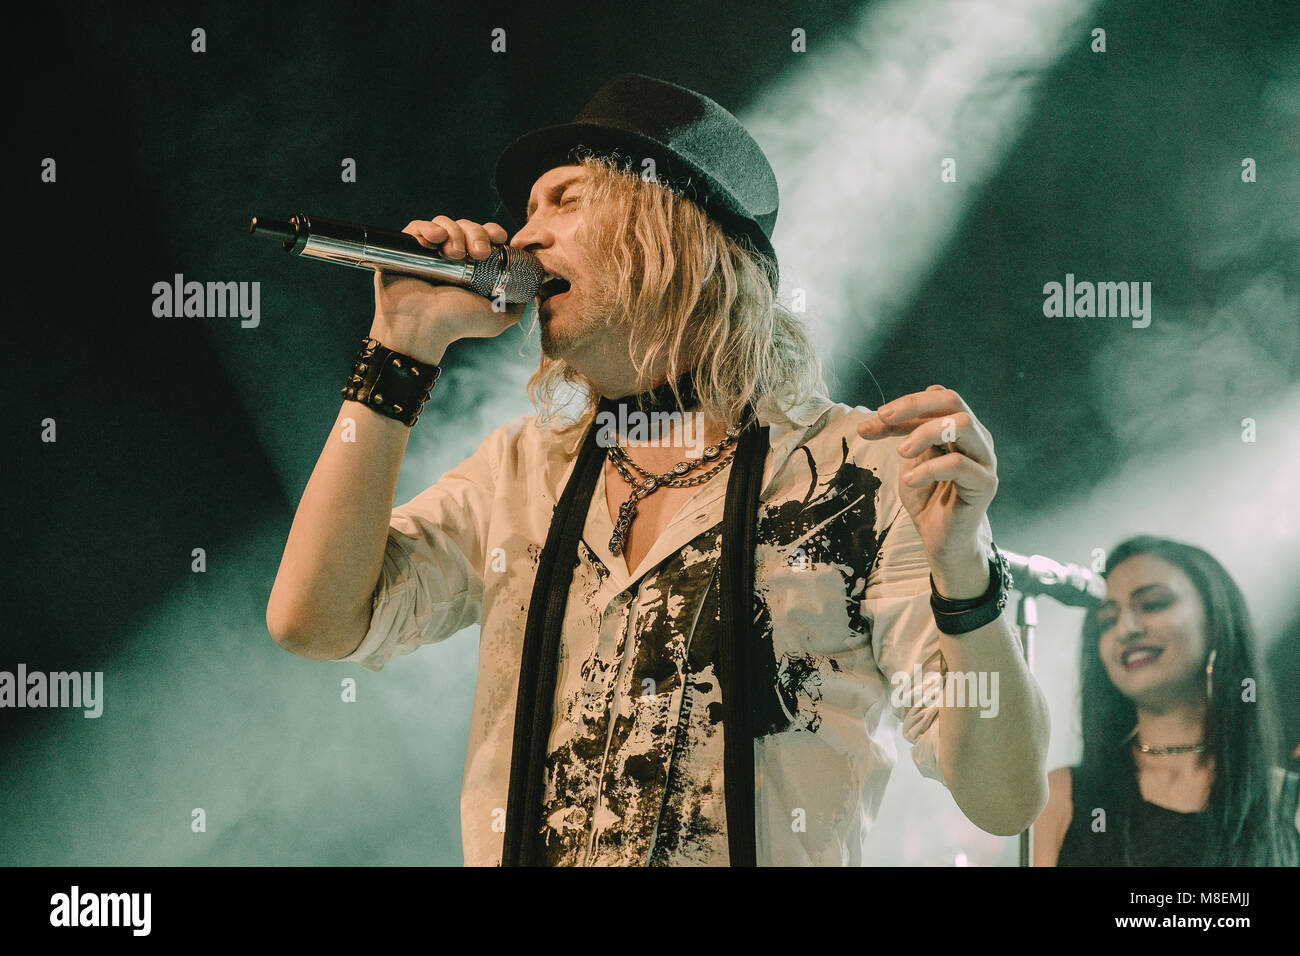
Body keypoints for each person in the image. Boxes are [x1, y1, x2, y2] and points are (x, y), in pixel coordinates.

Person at [266, 73, 1050, 866]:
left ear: (678, 231)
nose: (524, 237)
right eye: (528, 211)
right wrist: (400, 349)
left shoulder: (855, 469)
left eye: (565, 201)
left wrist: (964, 570)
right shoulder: (519, 469)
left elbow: (1004, 798)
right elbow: (314, 620)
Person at [1034, 536, 1300, 866]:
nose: (1125, 629)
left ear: (1216, 623)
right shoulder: (1061, 798)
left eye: (1153, 604)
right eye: (1107, 619)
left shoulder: (1289, 804)